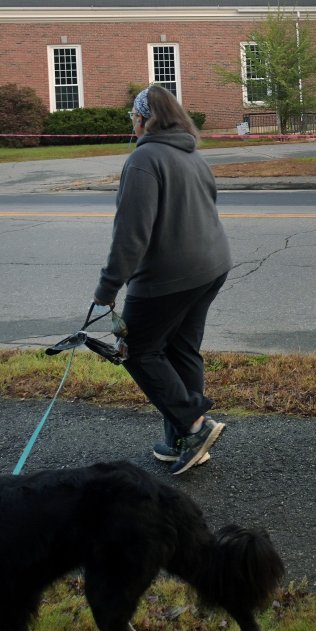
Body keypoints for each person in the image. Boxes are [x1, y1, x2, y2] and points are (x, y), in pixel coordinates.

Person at [94, 85, 232, 476]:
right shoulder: (191, 155)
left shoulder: (145, 159)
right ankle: (181, 443)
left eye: (132, 118)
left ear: (143, 119)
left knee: (136, 349)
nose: (132, 125)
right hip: (211, 267)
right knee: (182, 350)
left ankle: (194, 425)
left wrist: (107, 289)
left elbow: (131, 234)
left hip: (170, 277)